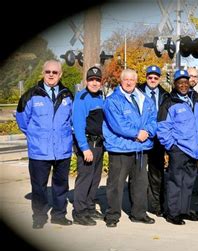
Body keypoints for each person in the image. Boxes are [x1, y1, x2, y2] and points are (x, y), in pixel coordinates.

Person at [16, 60, 74, 229]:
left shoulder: (68, 95)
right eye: (48, 71)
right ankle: (39, 216)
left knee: (61, 186)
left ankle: (58, 215)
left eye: (55, 72)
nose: (51, 75)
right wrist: (37, 136)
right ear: (43, 73)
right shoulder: (30, 95)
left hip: (62, 150)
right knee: (39, 187)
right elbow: (22, 121)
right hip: (39, 151)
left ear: (60, 74)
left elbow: (71, 120)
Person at [102, 69, 157, 228]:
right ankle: (112, 215)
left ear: (136, 80)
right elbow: (117, 124)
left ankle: (139, 213)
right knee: (116, 184)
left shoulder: (145, 99)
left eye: (132, 79)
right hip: (121, 148)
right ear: (121, 80)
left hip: (140, 148)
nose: (129, 82)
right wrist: (136, 133)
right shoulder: (112, 100)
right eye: (126, 79)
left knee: (140, 183)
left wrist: (147, 132)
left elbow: (153, 119)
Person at [157, 70, 198, 225]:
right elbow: (163, 127)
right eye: (180, 82)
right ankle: (172, 212)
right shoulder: (169, 102)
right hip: (179, 149)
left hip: (193, 149)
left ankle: (184, 210)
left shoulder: (194, 98)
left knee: (188, 182)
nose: (183, 85)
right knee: (175, 182)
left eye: (186, 82)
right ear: (175, 84)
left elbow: (197, 124)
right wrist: (171, 146)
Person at [71, 66, 106, 226]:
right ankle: (80, 212)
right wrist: (84, 148)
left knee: (95, 179)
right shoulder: (82, 98)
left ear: (101, 82)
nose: (94, 82)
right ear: (86, 81)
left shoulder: (100, 96)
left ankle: (90, 208)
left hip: (98, 143)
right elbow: (78, 125)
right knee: (85, 179)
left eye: (97, 80)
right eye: (91, 79)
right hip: (87, 144)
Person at [137, 65, 169, 218]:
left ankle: (156, 206)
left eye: (156, 77)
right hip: (140, 138)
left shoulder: (165, 94)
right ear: (146, 77)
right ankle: (137, 206)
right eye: (150, 77)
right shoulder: (137, 91)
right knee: (138, 175)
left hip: (157, 140)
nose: (153, 80)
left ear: (159, 79)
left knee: (157, 175)